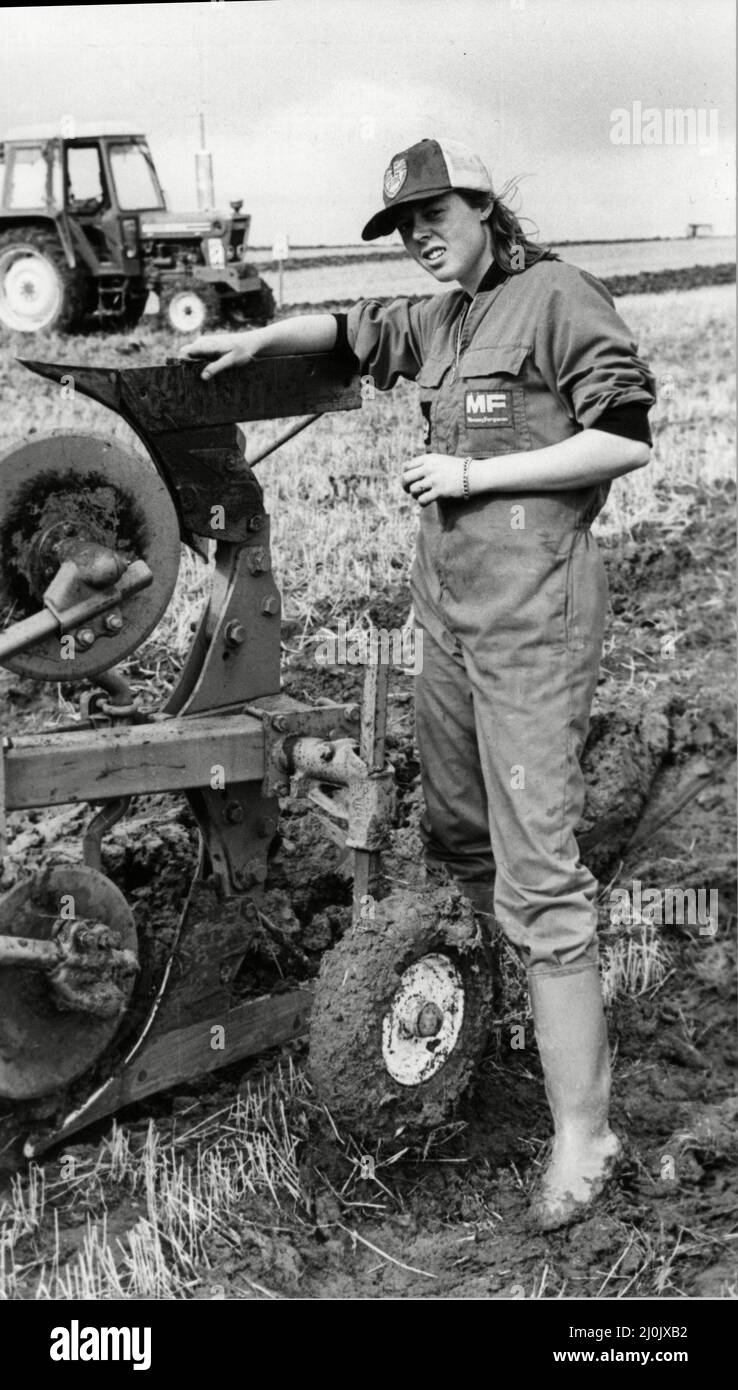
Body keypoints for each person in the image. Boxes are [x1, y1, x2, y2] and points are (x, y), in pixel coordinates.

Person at [180, 137, 656, 1230]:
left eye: (433, 214)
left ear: (485, 202)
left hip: (533, 625)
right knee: (456, 839)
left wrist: (476, 473)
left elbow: (623, 439)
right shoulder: (438, 317)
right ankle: (492, 1032)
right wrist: (261, 337)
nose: (418, 237)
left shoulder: (554, 298)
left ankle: (588, 1132)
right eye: (401, 225)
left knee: (539, 875)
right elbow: (349, 334)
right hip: (447, 623)